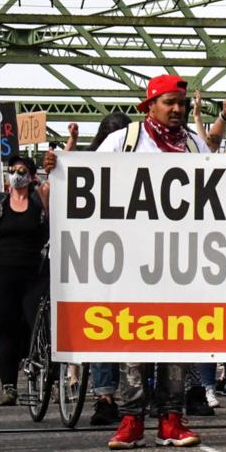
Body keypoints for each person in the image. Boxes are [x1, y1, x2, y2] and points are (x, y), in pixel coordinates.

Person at [46, 74, 207, 449]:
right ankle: (132, 419)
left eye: (181, 103)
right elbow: (84, 177)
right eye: (169, 102)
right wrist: (59, 164)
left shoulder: (196, 145)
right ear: (149, 105)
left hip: (181, 261)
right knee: (133, 338)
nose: (178, 110)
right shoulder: (125, 141)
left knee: (175, 340)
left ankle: (171, 419)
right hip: (132, 261)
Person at [0, 154, 50, 407]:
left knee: (38, 325)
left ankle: (45, 374)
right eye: (13, 170)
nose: (17, 175)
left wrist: (69, 146)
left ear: (31, 176)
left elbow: (58, 178)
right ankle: (8, 385)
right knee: (4, 330)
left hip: (34, 273)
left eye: (22, 171)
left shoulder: (40, 198)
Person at [76, 111, 131, 427]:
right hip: (108, 255)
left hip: (103, 254)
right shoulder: (85, 165)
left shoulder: (86, 164)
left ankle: (106, 396)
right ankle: (117, 394)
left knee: (103, 327)